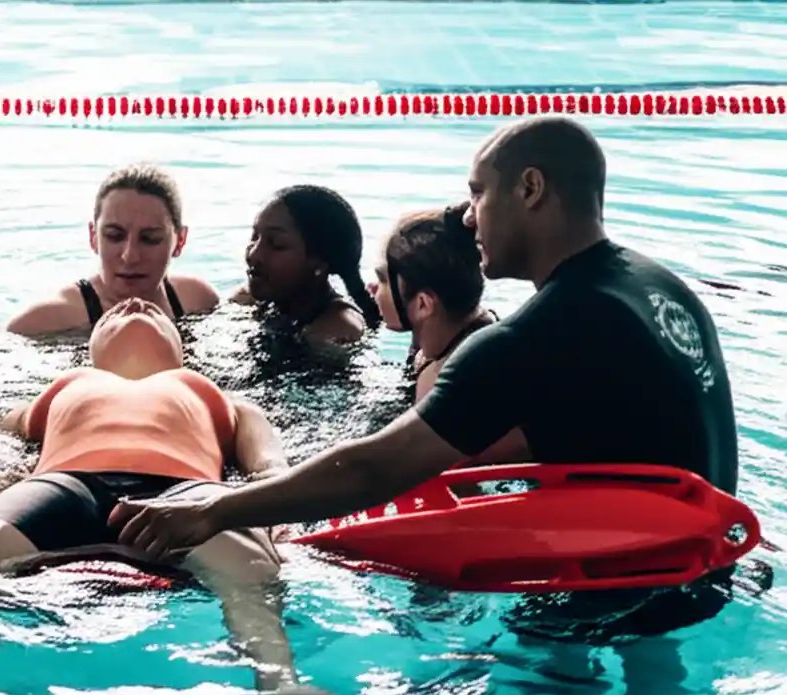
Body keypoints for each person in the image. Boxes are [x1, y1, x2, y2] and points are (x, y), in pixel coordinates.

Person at [110, 116, 740, 650]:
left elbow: (374, 470)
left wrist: (216, 508)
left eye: (478, 194)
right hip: (704, 563)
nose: (468, 218)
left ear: (531, 188)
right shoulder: (657, 284)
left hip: (613, 590)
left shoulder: (530, 340)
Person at [0, 297, 339, 695]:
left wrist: (272, 525)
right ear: (90, 350)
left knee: (250, 563)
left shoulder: (226, 400)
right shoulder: (63, 386)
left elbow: (270, 469)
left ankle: (278, 682)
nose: (136, 304)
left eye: (156, 312)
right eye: (110, 315)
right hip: (63, 486)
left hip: (183, 497)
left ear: (183, 351)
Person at [368, 201, 530, 465]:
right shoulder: (465, 325)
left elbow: (448, 482)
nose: (373, 287)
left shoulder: (441, 378)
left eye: (384, 279)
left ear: (423, 304)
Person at [5, 163, 220, 337]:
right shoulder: (51, 319)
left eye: (150, 239)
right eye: (114, 236)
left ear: (180, 241)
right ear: (93, 237)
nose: (130, 256)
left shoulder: (196, 301)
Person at [233, 184, 382, 343]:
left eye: (276, 244)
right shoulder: (249, 299)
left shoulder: (338, 328)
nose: (253, 254)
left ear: (319, 263)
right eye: (255, 236)